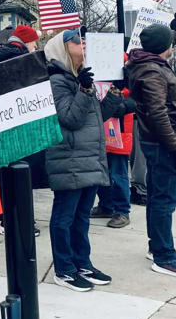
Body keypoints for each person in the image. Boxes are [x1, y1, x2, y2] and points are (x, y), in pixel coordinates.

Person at [43, 28, 123, 292]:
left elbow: (95, 117)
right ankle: (64, 269)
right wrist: (84, 89)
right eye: (76, 41)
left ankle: (82, 263)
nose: (83, 45)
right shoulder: (57, 81)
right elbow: (70, 118)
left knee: (81, 218)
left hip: (88, 159)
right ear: (63, 49)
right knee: (65, 217)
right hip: (70, 161)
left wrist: (114, 93)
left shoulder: (77, 79)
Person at [127, 18, 176, 280]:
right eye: (170, 42)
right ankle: (164, 257)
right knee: (165, 199)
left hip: (159, 143)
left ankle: (159, 246)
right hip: (162, 144)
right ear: (162, 47)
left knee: (160, 197)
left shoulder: (150, 62)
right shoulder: (152, 71)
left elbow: (163, 44)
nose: (173, 45)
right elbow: (158, 113)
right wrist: (175, 147)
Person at [0, 24, 44, 237]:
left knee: (8, 175)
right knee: (15, 175)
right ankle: (16, 219)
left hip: (4, 127)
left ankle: (9, 218)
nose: (36, 46)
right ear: (26, 41)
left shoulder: (8, 55)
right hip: (10, 128)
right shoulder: (17, 56)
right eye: (34, 42)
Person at [90, 72, 137, 229]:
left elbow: (137, 96)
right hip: (98, 127)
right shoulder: (90, 63)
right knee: (101, 172)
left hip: (120, 129)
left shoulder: (125, 66)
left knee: (118, 173)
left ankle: (122, 211)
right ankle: (106, 205)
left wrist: (124, 106)